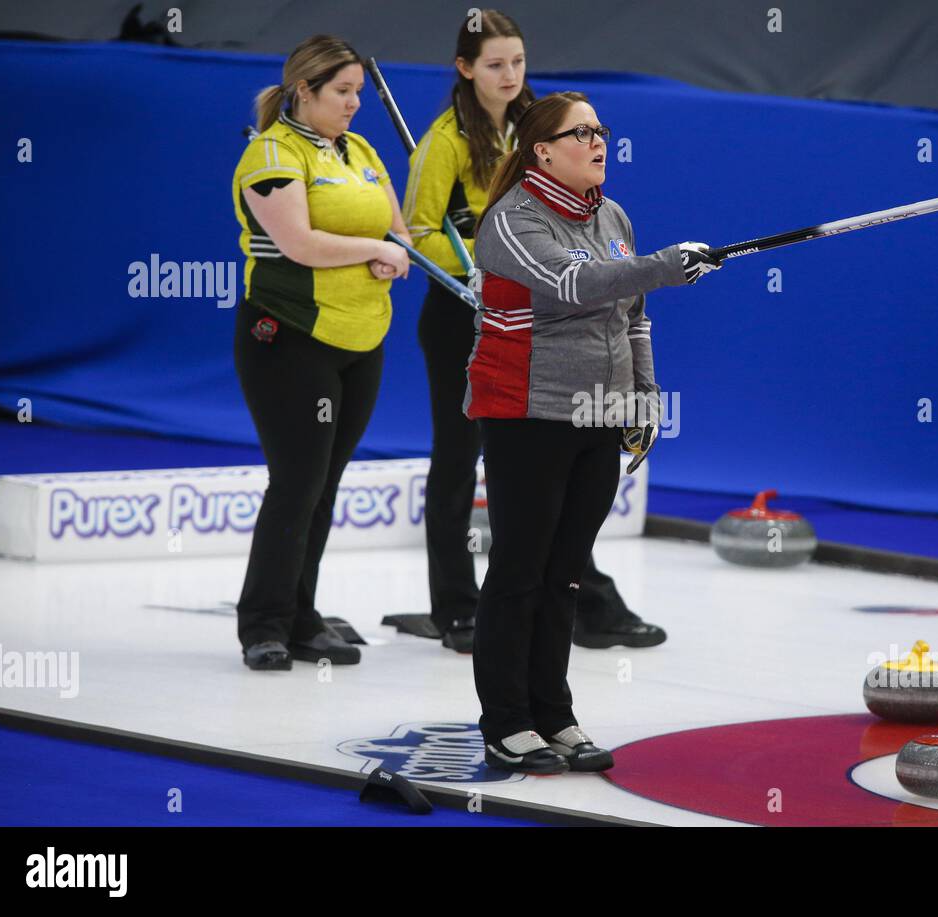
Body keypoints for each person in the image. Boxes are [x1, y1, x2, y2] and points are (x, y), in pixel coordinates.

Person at [465, 92, 721, 773]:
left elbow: (631, 314)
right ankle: (507, 721)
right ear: (541, 149)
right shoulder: (513, 220)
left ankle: (555, 714)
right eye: (581, 133)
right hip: (527, 411)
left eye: (601, 130)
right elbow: (575, 285)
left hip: (598, 415)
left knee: (566, 574)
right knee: (520, 570)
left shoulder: (612, 215)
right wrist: (668, 264)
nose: (598, 141)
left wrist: (644, 397)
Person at [403, 9, 666, 654]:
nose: (510, 75)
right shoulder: (445, 139)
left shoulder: (538, 126)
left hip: (546, 309)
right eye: (495, 64)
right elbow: (420, 226)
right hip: (464, 307)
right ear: (466, 69)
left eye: (518, 62)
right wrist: (471, 263)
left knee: (567, 492)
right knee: (460, 457)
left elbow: (587, 267)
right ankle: (457, 605)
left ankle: (586, 602)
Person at [231, 35, 412, 670]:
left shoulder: (358, 150)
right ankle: (263, 623)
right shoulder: (269, 154)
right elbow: (300, 243)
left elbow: (397, 229)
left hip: (361, 339)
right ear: (303, 92)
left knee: (325, 485)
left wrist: (397, 250)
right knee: (297, 482)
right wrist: (375, 252)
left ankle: (302, 615)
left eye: (360, 91)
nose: (355, 103)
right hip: (289, 338)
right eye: (342, 92)